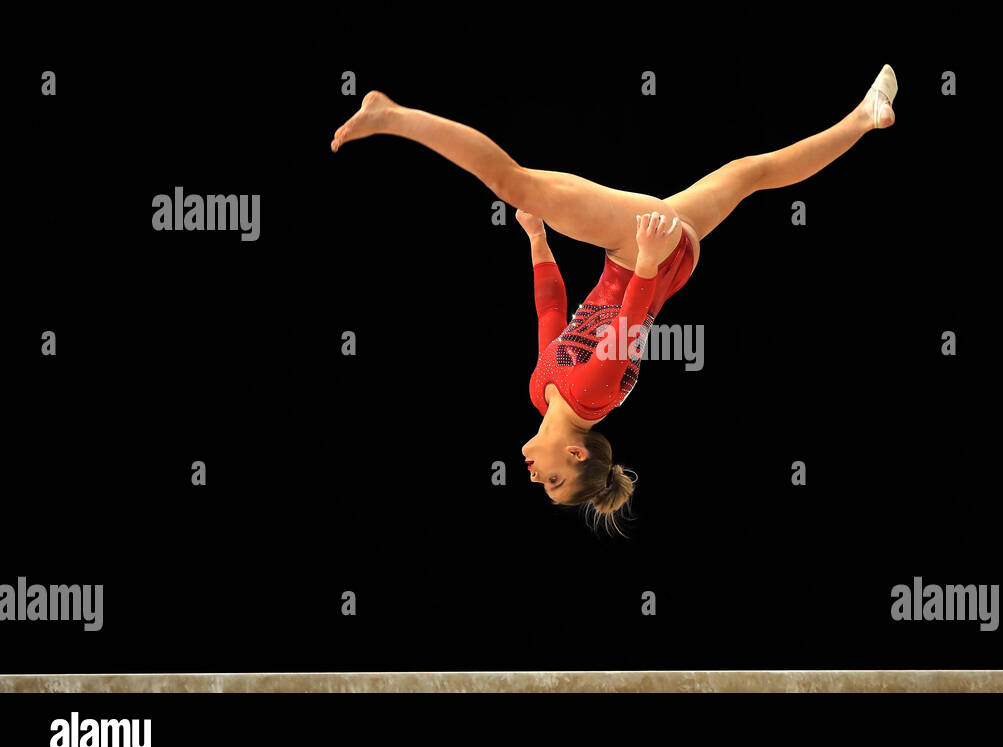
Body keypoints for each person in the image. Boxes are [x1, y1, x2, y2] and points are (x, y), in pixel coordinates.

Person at [332, 65, 899, 533]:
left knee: (750, 173)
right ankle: (392, 115)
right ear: (576, 456)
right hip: (640, 256)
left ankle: (864, 116)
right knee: (514, 182)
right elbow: (629, 325)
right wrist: (647, 259)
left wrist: (536, 240)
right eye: (554, 481)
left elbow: (551, 312)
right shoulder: (592, 395)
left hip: (658, 255)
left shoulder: (542, 392)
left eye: (543, 486)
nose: (534, 477)